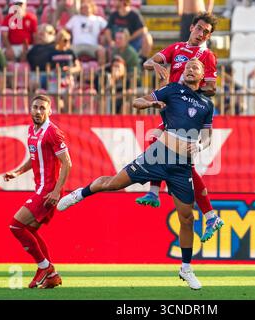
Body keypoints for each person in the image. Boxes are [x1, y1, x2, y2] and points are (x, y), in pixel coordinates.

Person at [57, 59, 213, 290]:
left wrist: (200, 146)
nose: (190, 69)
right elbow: (137, 101)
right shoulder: (172, 89)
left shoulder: (206, 104)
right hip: (159, 155)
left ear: (202, 76)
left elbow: (208, 136)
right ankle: (80, 194)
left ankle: (186, 268)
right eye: (188, 67)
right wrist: (151, 104)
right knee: (113, 183)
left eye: (195, 68)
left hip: (182, 166)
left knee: (187, 219)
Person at [138, 12, 223, 243]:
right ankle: (211, 215)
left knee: (156, 140)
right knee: (183, 167)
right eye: (199, 28)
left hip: (186, 112)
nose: (201, 34)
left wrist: (184, 90)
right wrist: (156, 67)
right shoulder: (176, 48)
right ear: (192, 27)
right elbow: (148, 61)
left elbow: (212, 88)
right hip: (171, 109)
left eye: (206, 32)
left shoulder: (207, 56)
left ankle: (154, 192)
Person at [4, 94, 72, 289]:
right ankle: (52, 275)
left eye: (43, 108)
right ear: (30, 109)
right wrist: (17, 172)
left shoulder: (53, 132)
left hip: (49, 191)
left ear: (49, 111)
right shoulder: (32, 130)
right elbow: (34, 158)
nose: (38, 111)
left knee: (15, 226)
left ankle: (45, 267)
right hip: (42, 189)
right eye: (35, 107)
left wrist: (57, 191)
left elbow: (67, 163)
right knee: (29, 230)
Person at [48, 29, 82, 111]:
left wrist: (70, 69)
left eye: (68, 40)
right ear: (59, 40)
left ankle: (68, 114)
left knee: (68, 97)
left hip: (67, 77)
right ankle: (61, 114)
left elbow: (78, 67)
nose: (67, 42)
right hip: (55, 78)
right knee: (57, 96)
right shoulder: (52, 53)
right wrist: (54, 70)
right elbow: (48, 68)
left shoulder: (71, 52)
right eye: (65, 40)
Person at [65, 0, 107, 66]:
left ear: (92, 8)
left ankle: (100, 72)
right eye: (83, 7)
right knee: (67, 52)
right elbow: (65, 30)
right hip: (77, 45)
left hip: (92, 46)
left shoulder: (98, 19)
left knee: (102, 51)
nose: (85, 9)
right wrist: (66, 40)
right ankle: (69, 73)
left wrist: (104, 37)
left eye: (87, 7)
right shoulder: (75, 18)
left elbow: (108, 29)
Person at [27, 24, 56, 92]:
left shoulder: (56, 47)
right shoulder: (34, 48)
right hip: (37, 75)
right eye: (38, 34)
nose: (39, 37)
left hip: (52, 75)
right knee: (32, 84)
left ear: (51, 34)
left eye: (42, 34)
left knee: (55, 89)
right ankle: (32, 102)